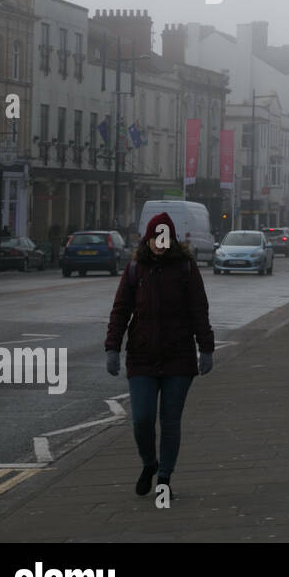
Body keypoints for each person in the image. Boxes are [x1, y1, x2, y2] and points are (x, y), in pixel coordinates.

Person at [105, 211, 214, 497]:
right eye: (156, 237)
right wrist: (112, 348)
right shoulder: (135, 268)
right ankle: (149, 463)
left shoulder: (186, 268)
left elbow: (199, 310)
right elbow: (120, 311)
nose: (160, 243)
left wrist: (206, 348)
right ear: (148, 238)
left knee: (170, 420)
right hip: (142, 355)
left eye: (165, 237)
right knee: (142, 419)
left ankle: (164, 478)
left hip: (178, 356)